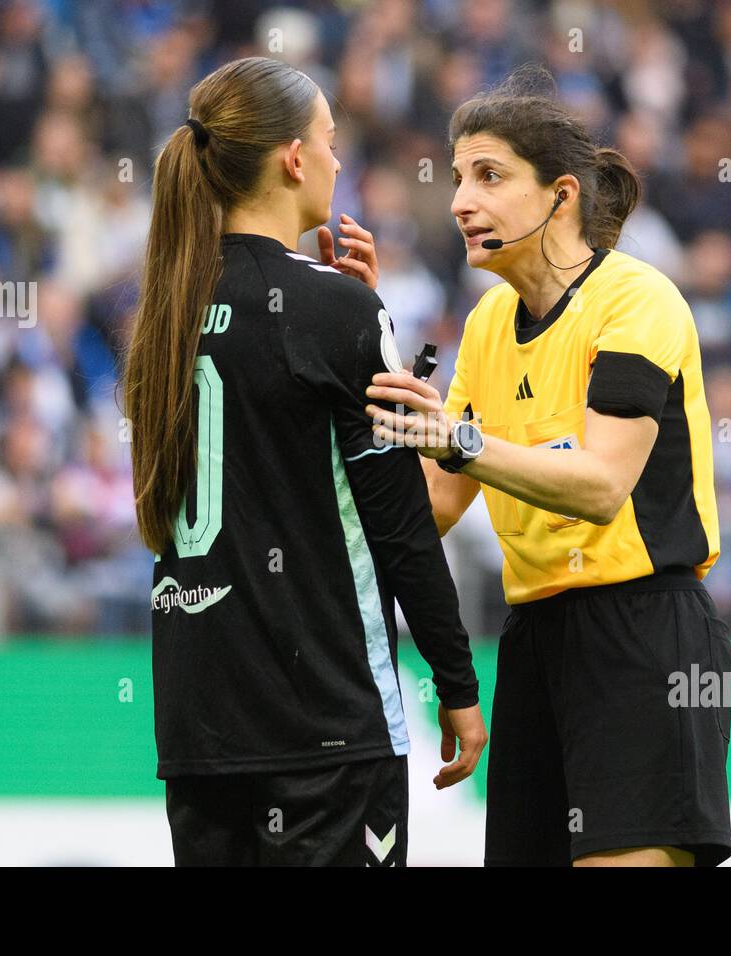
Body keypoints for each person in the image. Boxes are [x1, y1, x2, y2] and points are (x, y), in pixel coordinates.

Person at [121, 56, 485, 867]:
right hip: (325, 719)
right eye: (329, 141)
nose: (337, 159)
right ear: (292, 158)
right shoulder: (333, 310)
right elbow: (398, 526)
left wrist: (363, 315)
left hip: (199, 723)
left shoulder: (166, 308)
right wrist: (456, 686)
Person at [365, 67, 731, 866]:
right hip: (532, 639)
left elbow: (603, 487)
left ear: (561, 196)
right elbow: (432, 505)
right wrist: (363, 341)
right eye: (459, 176)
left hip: (645, 635)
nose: (461, 199)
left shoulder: (637, 299)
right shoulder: (490, 321)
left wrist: (455, 440)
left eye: (489, 176)